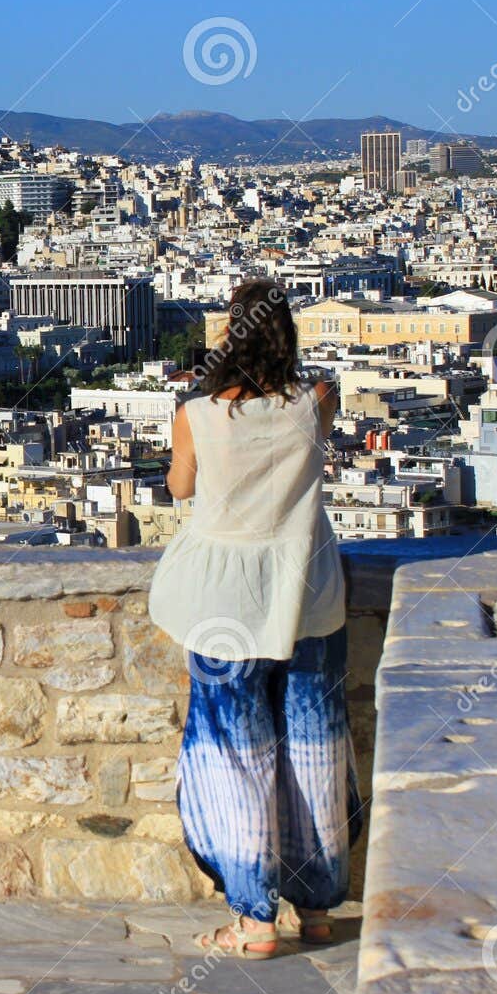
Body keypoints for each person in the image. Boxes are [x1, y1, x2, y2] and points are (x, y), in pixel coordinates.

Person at [148, 278, 362, 959]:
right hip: (309, 595)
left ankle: (255, 917)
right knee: (313, 748)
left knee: (235, 755)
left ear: (229, 336)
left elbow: (180, 487)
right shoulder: (317, 400)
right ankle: (318, 905)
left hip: (225, 605)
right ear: (287, 335)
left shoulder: (198, 414)